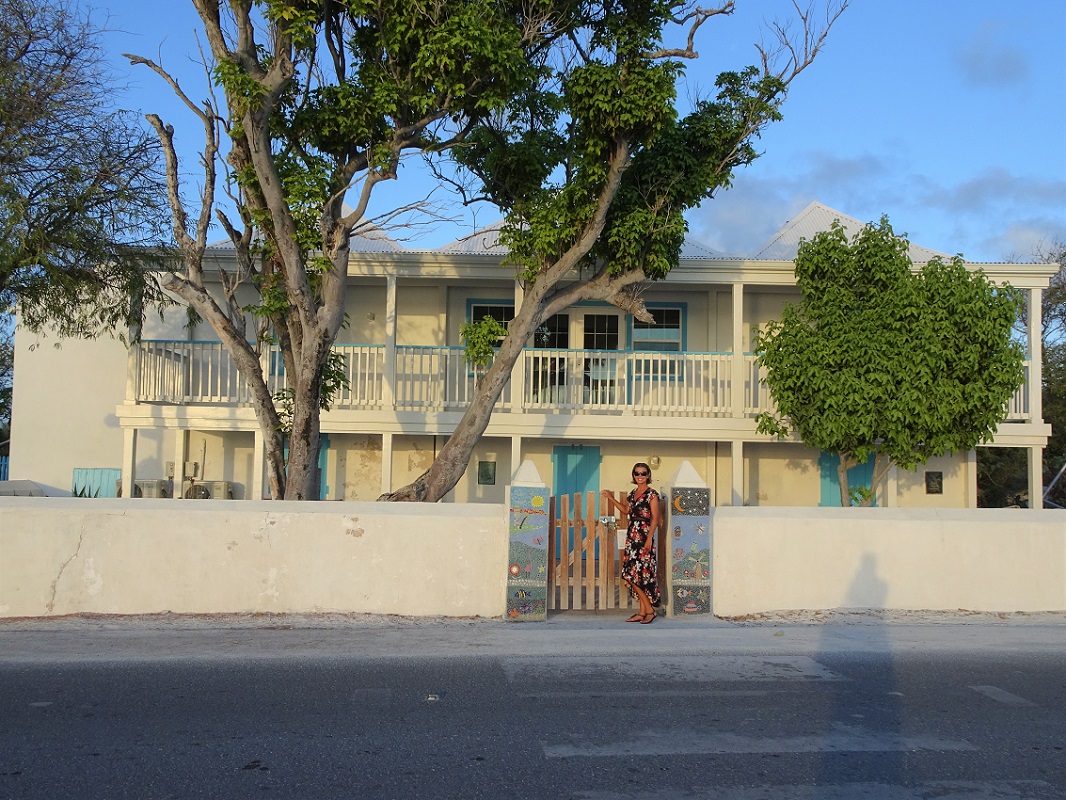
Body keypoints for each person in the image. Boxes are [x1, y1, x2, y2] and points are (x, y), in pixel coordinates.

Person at [601, 462, 661, 624]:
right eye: (637, 473)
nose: (640, 476)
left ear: (648, 475)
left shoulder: (652, 495)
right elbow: (627, 511)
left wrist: (649, 538)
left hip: (643, 535)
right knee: (632, 574)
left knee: (639, 574)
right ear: (633, 475)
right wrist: (611, 498)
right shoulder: (633, 493)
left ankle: (649, 610)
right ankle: (642, 612)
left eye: (643, 473)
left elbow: (655, 518)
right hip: (632, 534)